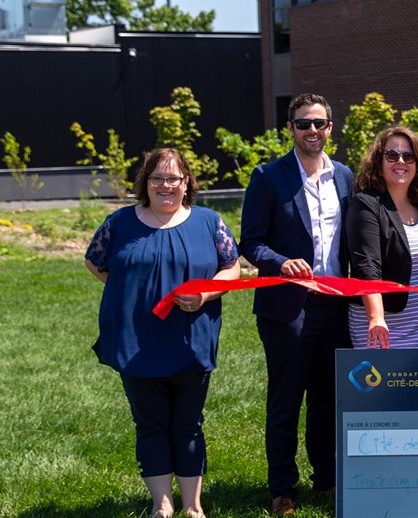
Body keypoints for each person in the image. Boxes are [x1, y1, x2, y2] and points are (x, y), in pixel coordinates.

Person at [85, 148, 240, 518]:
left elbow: (232, 267)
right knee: (150, 424)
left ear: (186, 183)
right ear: (145, 182)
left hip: (191, 338)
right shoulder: (119, 222)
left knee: (188, 424)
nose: (165, 185)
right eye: (157, 178)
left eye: (173, 178)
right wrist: (130, 291)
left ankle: (193, 506)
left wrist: (205, 294)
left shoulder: (209, 222)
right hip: (137, 341)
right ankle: (162, 503)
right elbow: (94, 262)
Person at [238, 93, 354, 516]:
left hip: (335, 304)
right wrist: (280, 262)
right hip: (287, 306)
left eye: (319, 123)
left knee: (327, 397)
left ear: (330, 128)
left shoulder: (344, 176)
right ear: (290, 128)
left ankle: (326, 480)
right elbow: (250, 242)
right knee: (286, 399)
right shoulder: (268, 176)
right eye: (303, 124)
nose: (312, 131)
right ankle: (282, 488)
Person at [346, 126, 418, 348]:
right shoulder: (366, 204)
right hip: (381, 327)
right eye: (392, 155)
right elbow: (366, 266)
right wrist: (376, 317)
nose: (400, 161)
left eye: (409, 156)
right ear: (378, 162)